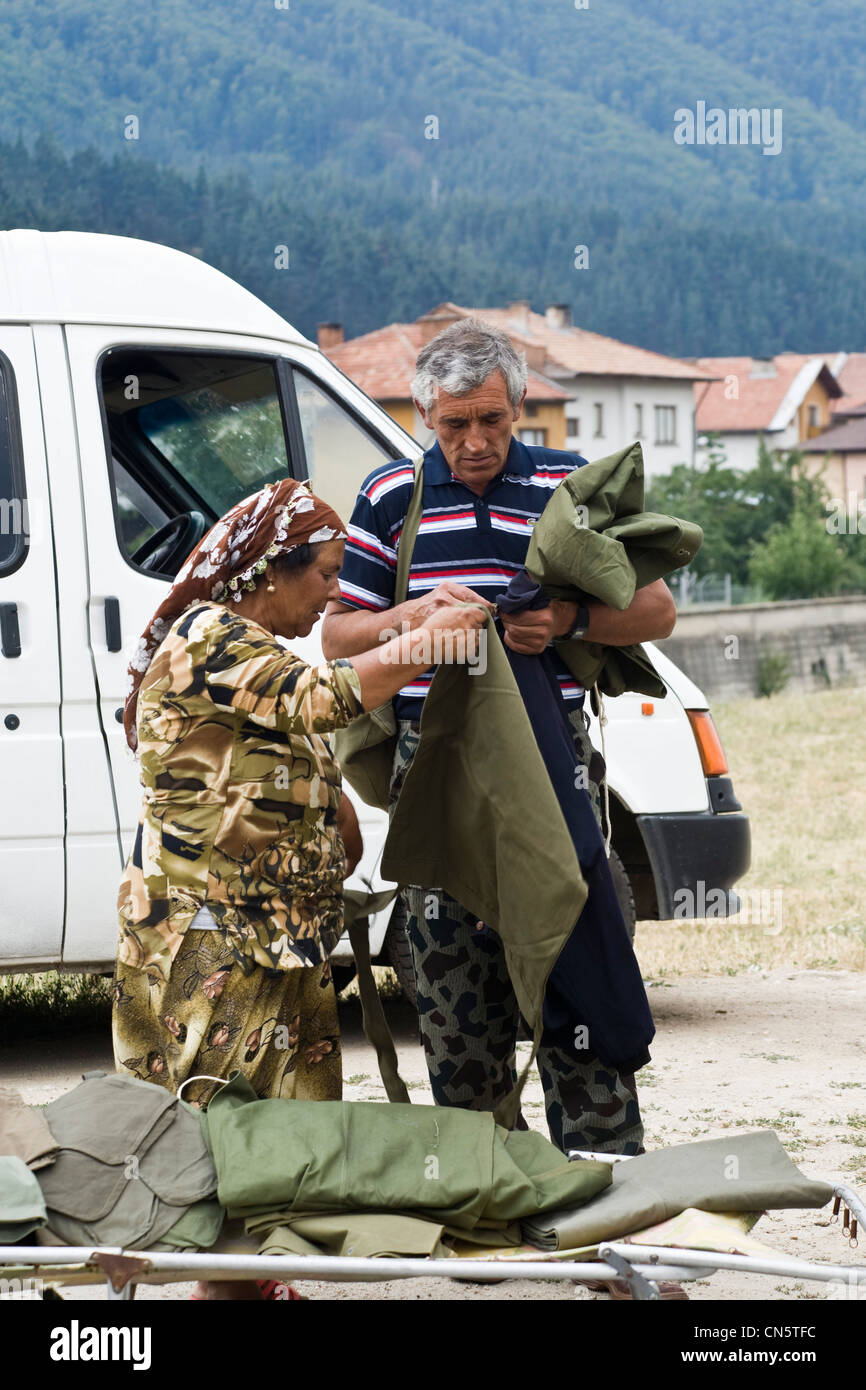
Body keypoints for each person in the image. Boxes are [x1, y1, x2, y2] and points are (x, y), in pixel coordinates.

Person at [113, 476, 484, 1299]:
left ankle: (252, 1274)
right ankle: (220, 1283)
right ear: (268, 570)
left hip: (274, 934)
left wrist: (331, 810)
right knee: (218, 1113)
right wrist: (431, 638)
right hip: (214, 934)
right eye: (323, 574)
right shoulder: (210, 635)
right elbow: (326, 696)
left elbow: (267, 746)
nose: (330, 594)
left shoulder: (252, 648)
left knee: (281, 1119)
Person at [322, 318, 677, 1159]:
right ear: (423, 414)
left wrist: (566, 619)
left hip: (551, 757)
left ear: (520, 406)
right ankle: (479, 1181)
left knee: (570, 950)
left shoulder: (568, 488)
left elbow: (658, 611)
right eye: (454, 425)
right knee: (448, 975)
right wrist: (409, 618)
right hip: (433, 766)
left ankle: (600, 1186)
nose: (475, 442)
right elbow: (337, 637)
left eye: (491, 420)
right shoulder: (389, 498)